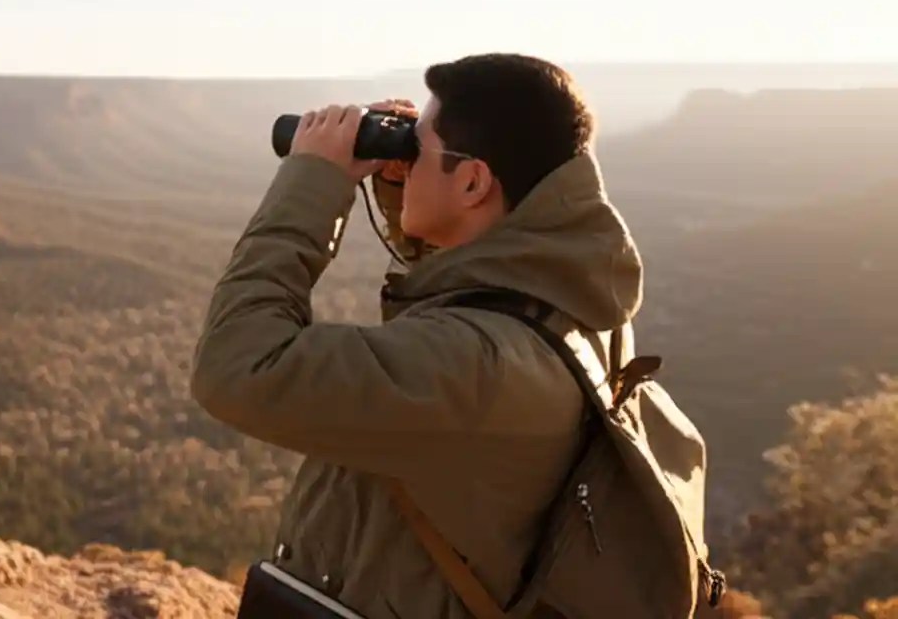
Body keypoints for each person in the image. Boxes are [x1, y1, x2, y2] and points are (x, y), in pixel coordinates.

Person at [190, 53, 644, 618]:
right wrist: (420, 190)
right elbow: (486, 282)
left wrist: (313, 182)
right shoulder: (576, 301)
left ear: (474, 180)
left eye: (418, 146)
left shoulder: (478, 363)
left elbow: (239, 366)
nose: (405, 153)